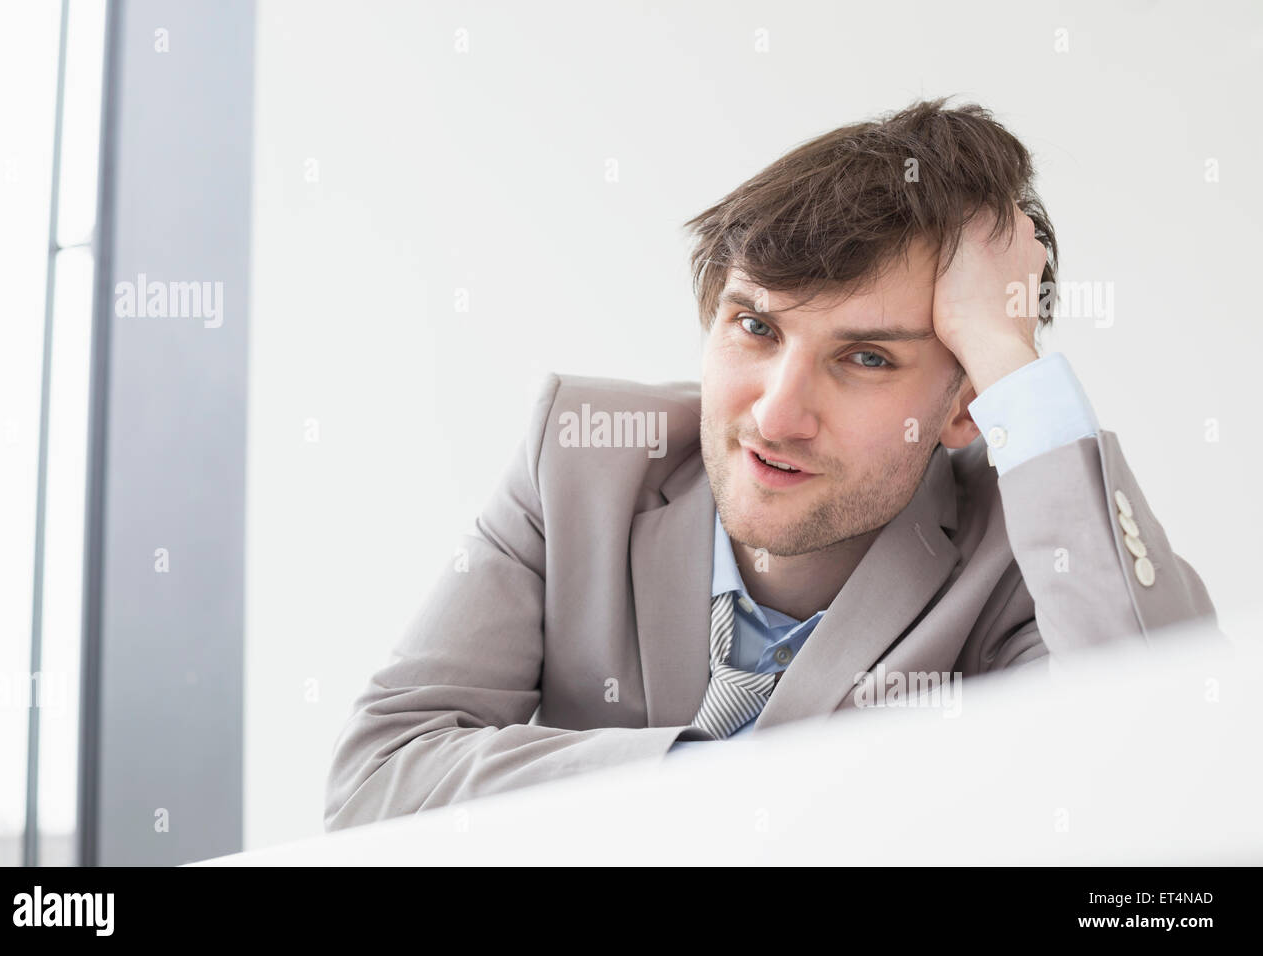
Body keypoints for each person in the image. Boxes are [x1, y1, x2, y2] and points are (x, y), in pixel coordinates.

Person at [323, 98, 1220, 830]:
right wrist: (714, 781)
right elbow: (378, 781)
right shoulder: (581, 459)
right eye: (756, 326)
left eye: (867, 357)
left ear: (964, 406)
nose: (777, 416)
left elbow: (1170, 782)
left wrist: (1006, 354)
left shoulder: (1027, 557)